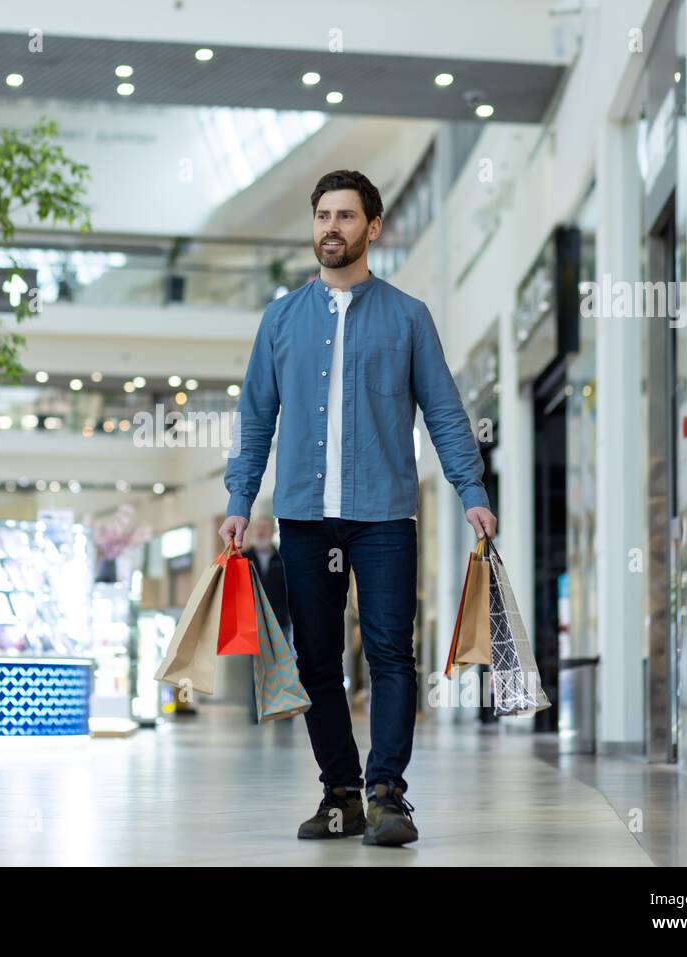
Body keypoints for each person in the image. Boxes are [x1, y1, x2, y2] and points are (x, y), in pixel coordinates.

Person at [218, 170, 497, 848]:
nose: (331, 228)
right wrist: (238, 498)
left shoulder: (407, 316)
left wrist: (472, 490)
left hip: (383, 515)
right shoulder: (281, 319)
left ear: (372, 228)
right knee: (316, 657)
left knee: (389, 652)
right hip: (305, 517)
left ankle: (388, 792)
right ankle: (340, 791)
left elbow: (444, 412)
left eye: (345, 216)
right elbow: (256, 416)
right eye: (322, 215)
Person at [241, 515, 291, 647]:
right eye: (258, 528)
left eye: (265, 528)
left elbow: (291, 591)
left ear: (272, 532)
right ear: (252, 531)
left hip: (279, 623)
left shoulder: (283, 559)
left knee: (280, 665)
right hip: (250, 624)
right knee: (252, 666)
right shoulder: (242, 559)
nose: (261, 531)